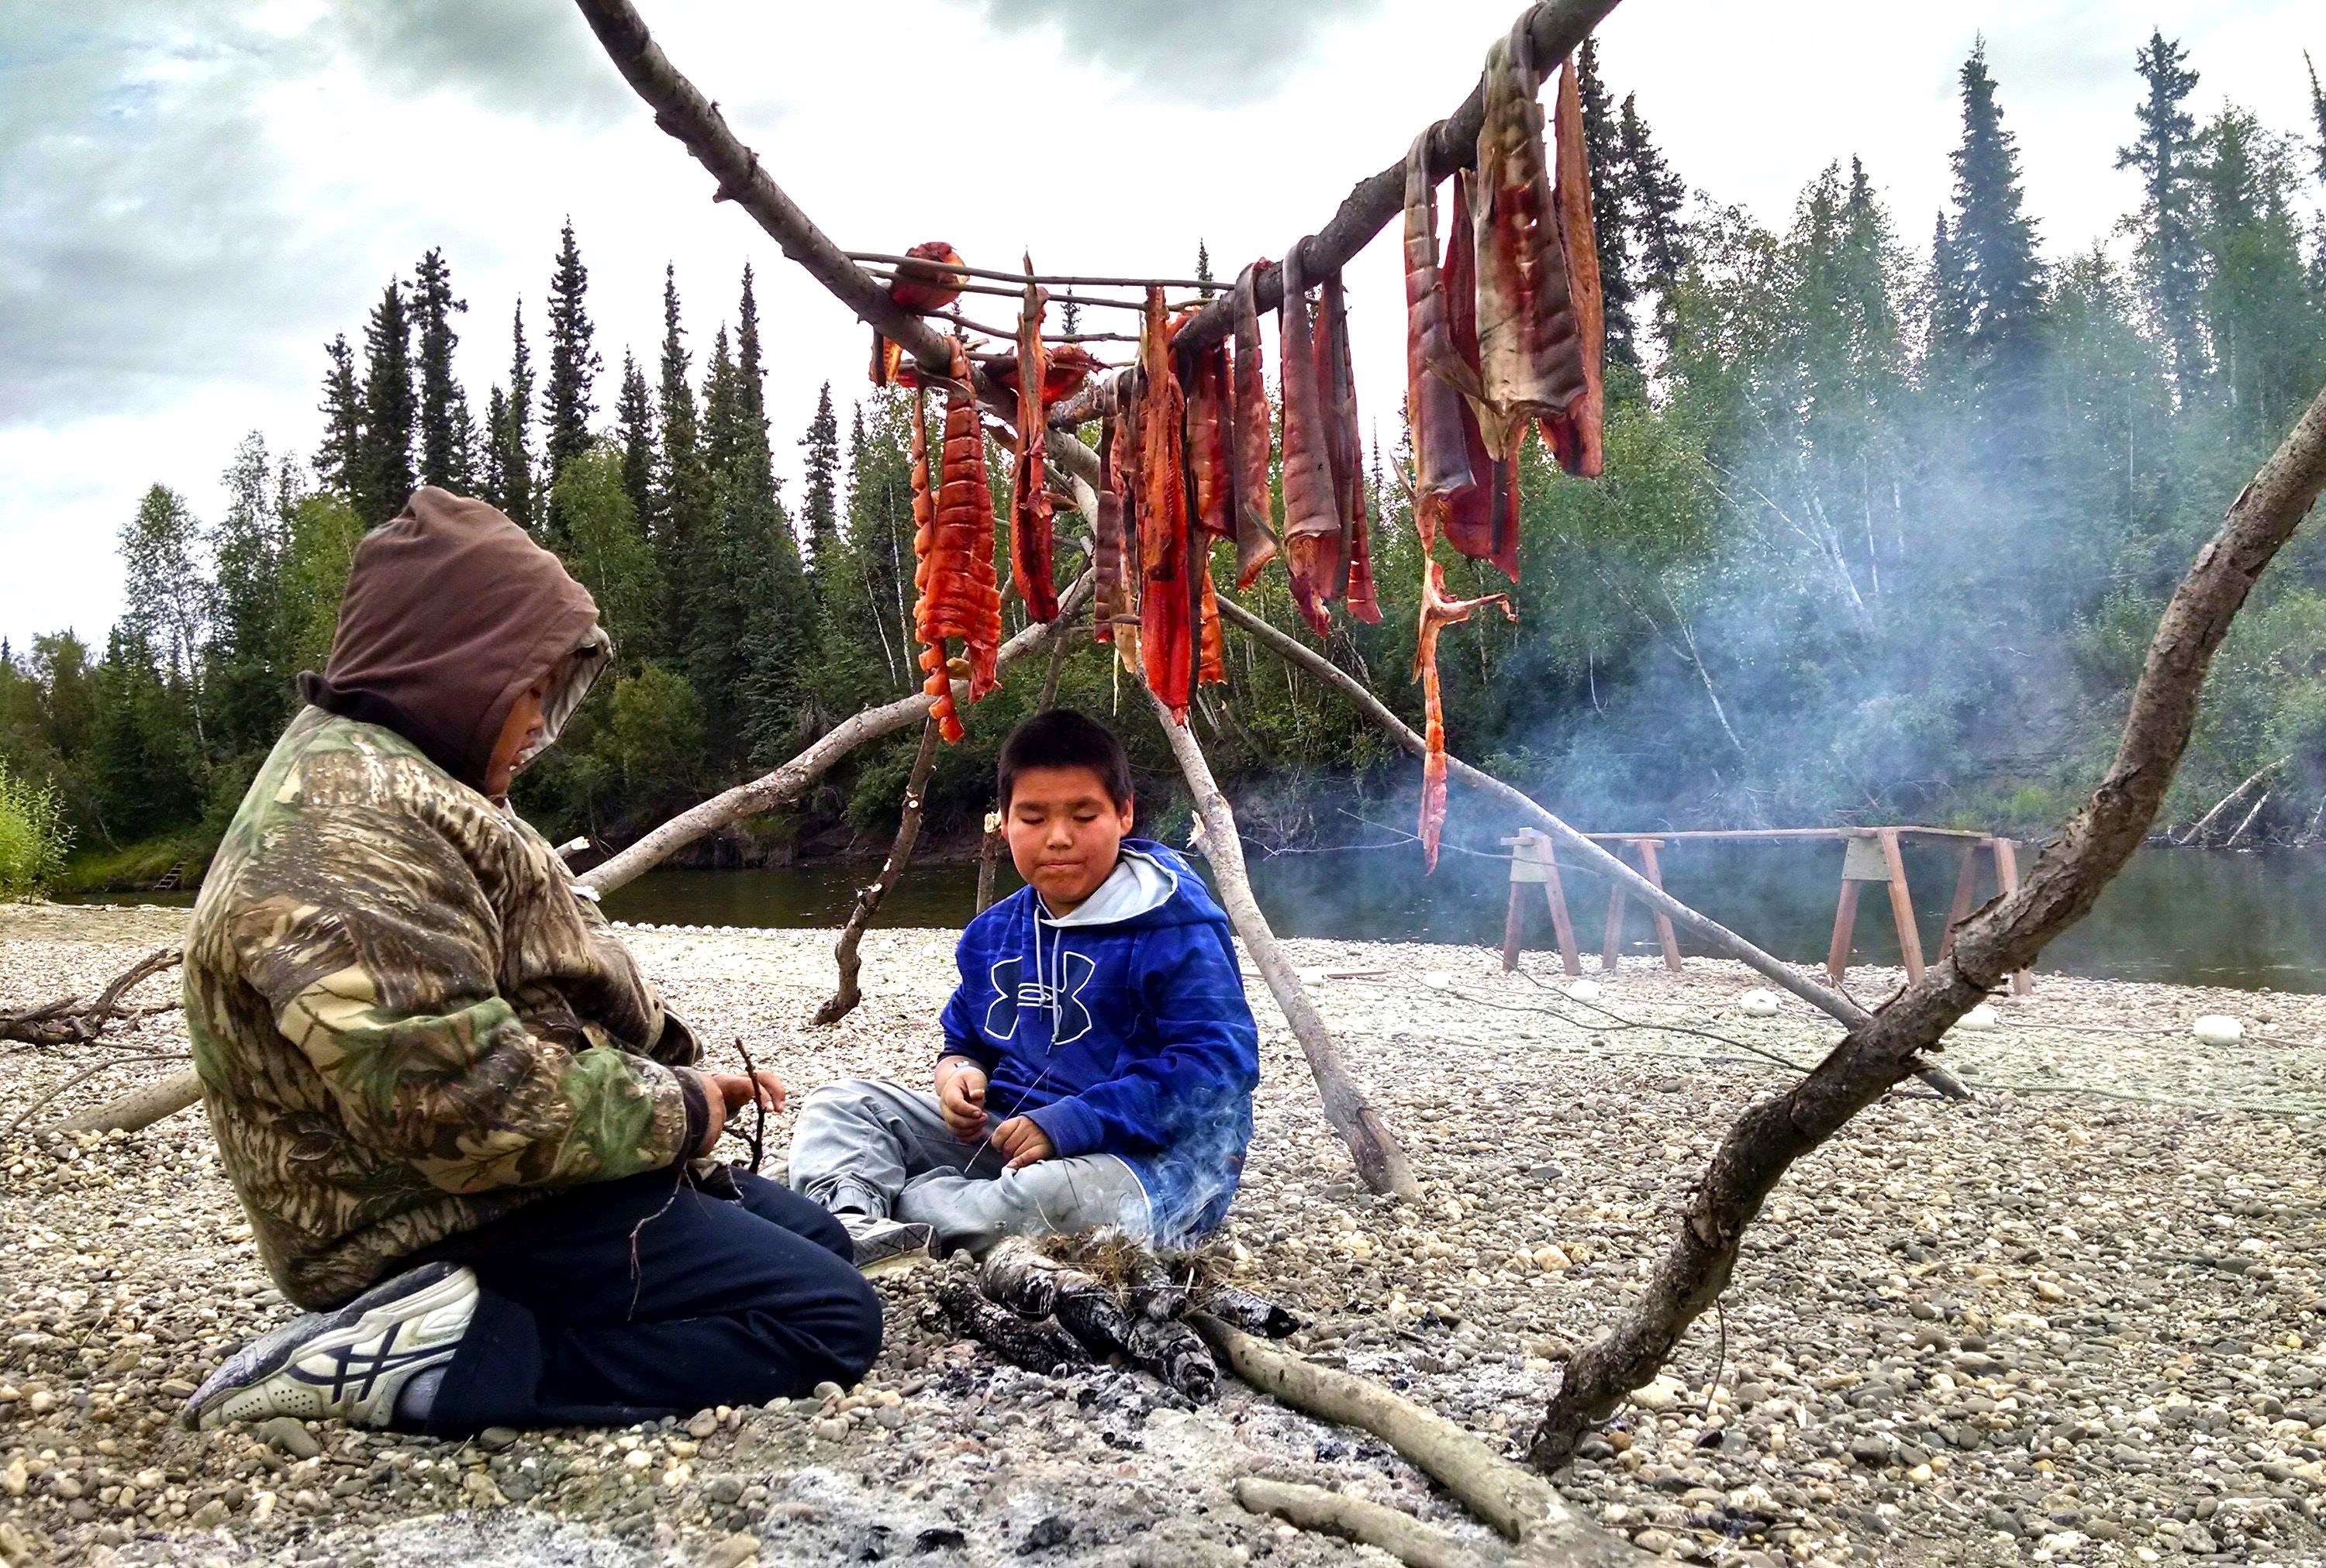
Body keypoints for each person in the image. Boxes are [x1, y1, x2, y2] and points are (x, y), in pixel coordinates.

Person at [180, 488, 878, 1436]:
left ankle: (480, 1324)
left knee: (820, 1240)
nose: (543, 726)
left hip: (515, 1189)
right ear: (460, 666)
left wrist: (675, 1085)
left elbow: (526, 1005)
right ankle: (443, 1359)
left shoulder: (408, 775)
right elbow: (462, 1106)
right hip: (431, 1219)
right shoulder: (342, 832)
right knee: (827, 1318)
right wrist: (680, 1109)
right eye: (533, 692)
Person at [789, 708, 1261, 1269]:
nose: (1058, 838)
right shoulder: (994, 934)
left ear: (1125, 814)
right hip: (1010, 1135)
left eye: (1084, 815)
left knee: (1046, 1201)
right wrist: (957, 1075)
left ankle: (878, 1204)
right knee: (841, 1105)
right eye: (1033, 817)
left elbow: (1219, 1069)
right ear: (1003, 822)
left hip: (1151, 1163)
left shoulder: (1176, 924)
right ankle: (858, 1224)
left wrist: (1072, 1121)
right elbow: (964, 1040)